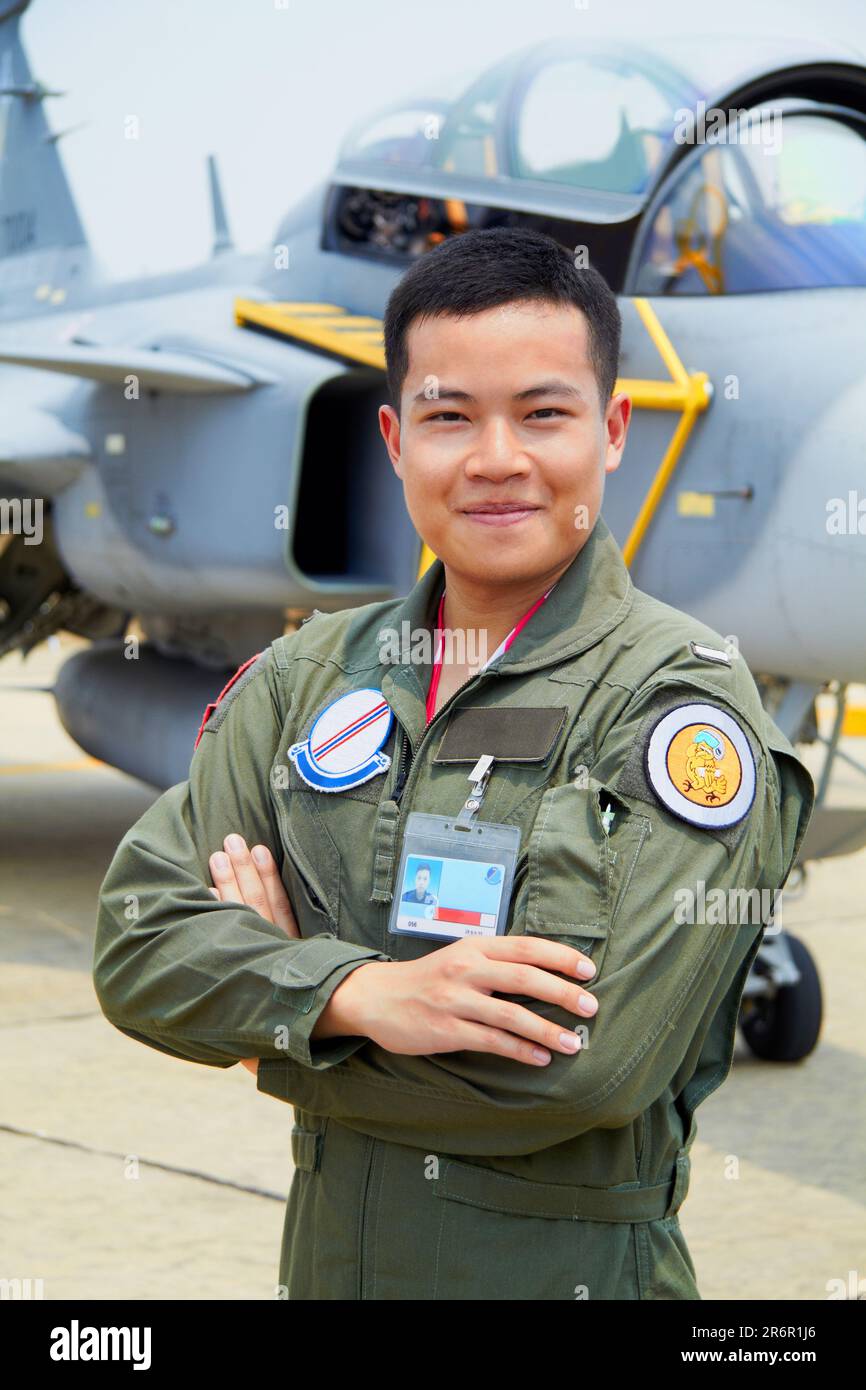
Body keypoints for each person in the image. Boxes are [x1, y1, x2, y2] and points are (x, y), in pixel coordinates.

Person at [93, 226, 814, 1301]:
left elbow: (583, 1074)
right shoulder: (306, 679)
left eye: (542, 413)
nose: (494, 459)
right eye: (447, 417)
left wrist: (278, 1032)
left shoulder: (676, 715)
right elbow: (139, 942)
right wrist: (357, 995)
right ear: (393, 438)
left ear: (611, 430)